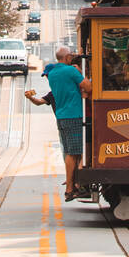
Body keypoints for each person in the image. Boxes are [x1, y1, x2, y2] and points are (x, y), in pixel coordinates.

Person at [42, 46, 91, 201]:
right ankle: (70, 188)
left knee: (72, 152)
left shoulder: (53, 73)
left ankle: (76, 186)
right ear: (67, 57)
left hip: (62, 116)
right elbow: (88, 87)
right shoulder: (70, 71)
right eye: (71, 56)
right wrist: (80, 73)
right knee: (73, 153)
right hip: (73, 115)